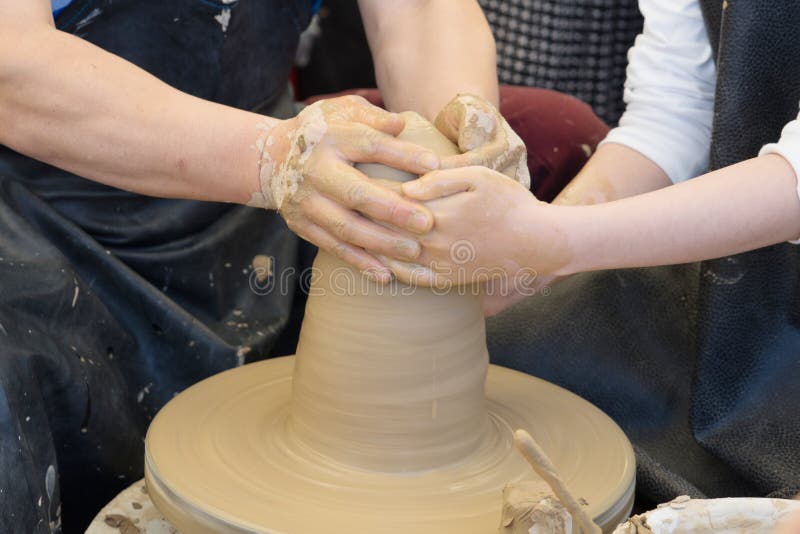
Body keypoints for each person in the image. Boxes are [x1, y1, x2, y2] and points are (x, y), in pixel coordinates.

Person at [0, 1, 548, 531]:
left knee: (550, 173)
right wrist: (273, 159)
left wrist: (454, 150)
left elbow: (418, 10)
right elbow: (13, 63)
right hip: (43, 218)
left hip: (274, 204)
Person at [399, 0, 800, 513]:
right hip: (738, 266)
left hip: (774, 266)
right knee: (512, 352)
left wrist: (554, 239)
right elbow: (675, 114)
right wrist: (530, 249)